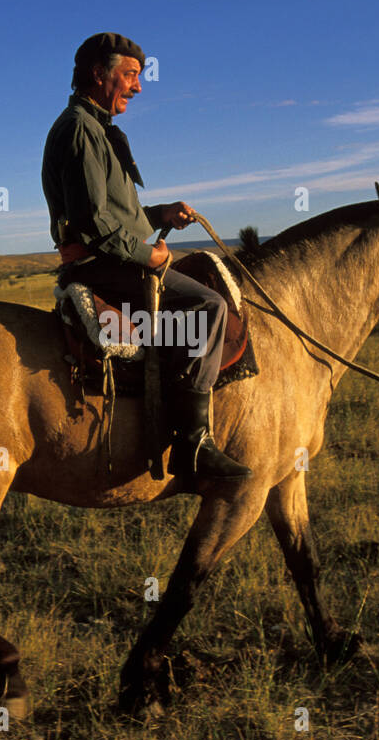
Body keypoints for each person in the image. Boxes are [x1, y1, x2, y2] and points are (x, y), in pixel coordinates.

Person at [42, 32, 250, 483]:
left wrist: (158, 214)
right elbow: (95, 223)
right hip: (102, 264)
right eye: (130, 76)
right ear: (100, 74)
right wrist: (148, 256)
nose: (138, 87)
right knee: (207, 306)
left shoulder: (95, 129)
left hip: (113, 255)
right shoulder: (80, 130)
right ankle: (193, 444)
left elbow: (117, 212)